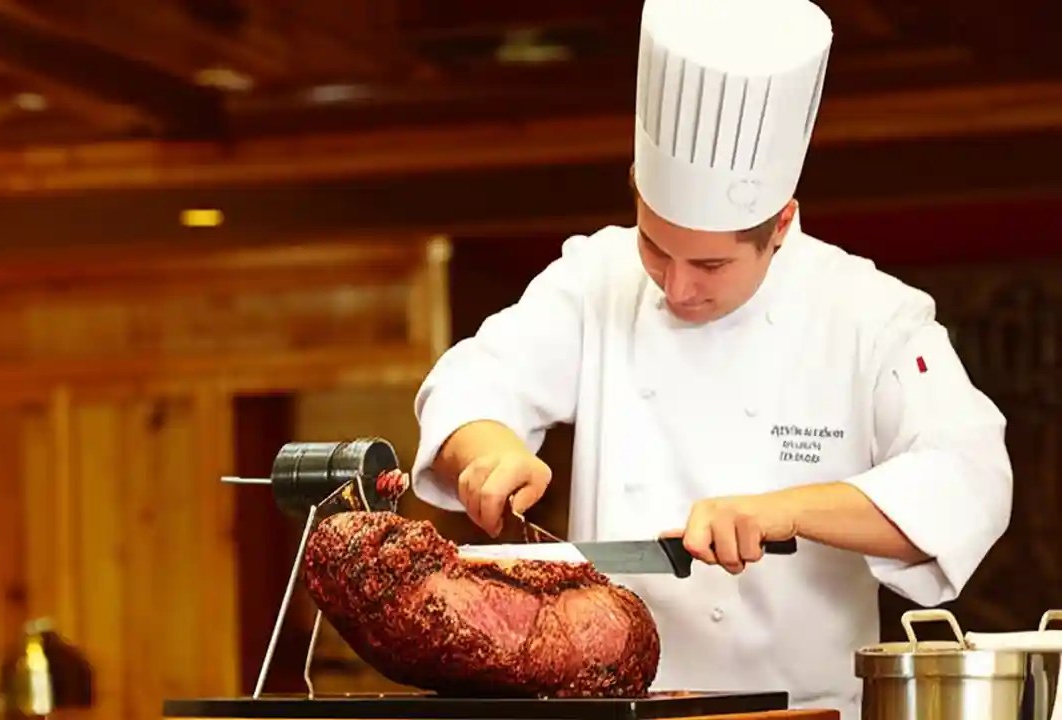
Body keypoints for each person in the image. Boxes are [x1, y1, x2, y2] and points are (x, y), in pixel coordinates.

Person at [407, 0, 1013, 716]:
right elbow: (473, 382)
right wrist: (488, 453)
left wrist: (783, 512)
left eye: (711, 263)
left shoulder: (868, 313)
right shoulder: (594, 277)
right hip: (613, 709)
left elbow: (967, 475)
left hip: (802, 713)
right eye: (656, 247)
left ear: (780, 224)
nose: (677, 284)